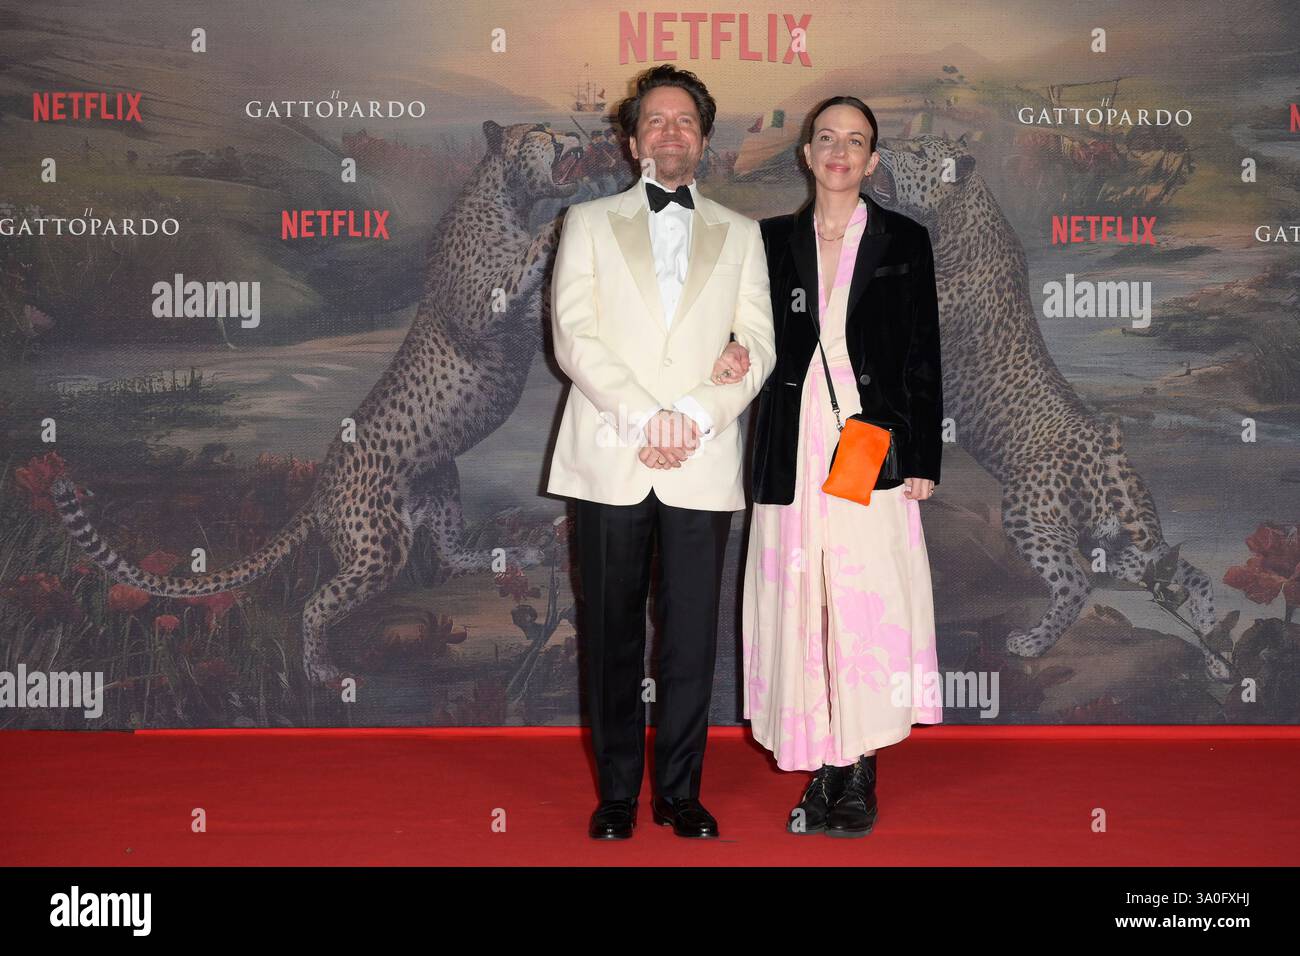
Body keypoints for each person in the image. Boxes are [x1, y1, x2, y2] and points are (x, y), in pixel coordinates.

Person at [545, 64, 776, 840]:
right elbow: (575, 338)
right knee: (609, 632)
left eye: (685, 121)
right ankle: (616, 794)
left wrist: (696, 417)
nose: (670, 131)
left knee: (688, 641)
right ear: (631, 137)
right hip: (612, 454)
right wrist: (652, 419)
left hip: (702, 461)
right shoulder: (586, 222)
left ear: (704, 140)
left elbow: (759, 346)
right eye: (656, 120)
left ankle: (679, 792)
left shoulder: (743, 236)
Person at [739, 96, 944, 837]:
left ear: (873, 160)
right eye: (827, 137)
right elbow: (747, 339)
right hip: (793, 445)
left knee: (864, 605)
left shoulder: (904, 241)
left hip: (869, 444)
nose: (839, 151)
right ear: (805, 152)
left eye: (856, 141)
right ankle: (821, 763)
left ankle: (858, 770)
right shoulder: (767, 242)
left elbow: (922, 352)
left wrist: (921, 456)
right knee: (806, 604)